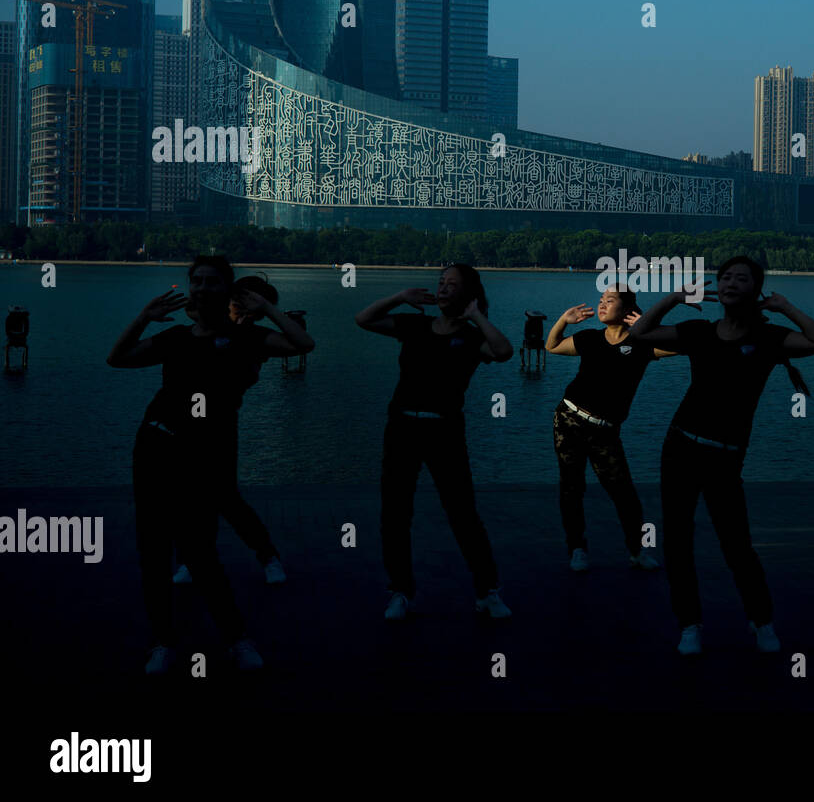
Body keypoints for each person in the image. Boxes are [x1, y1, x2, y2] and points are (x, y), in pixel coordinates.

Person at [107, 256, 314, 676]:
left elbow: (303, 345)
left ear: (228, 290)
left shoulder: (248, 338)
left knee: (200, 553)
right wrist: (144, 317)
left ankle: (236, 638)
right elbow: (118, 358)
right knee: (153, 551)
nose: (202, 288)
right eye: (196, 281)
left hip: (203, 453)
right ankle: (163, 642)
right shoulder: (176, 337)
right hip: (155, 445)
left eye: (212, 282)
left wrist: (269, 309)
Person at [630, 256, 814, 656]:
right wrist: (673, 297)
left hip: (726, 457)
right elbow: (639, 334)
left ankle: (761, 621)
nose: (730, 283)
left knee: (736, 545)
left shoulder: (770, 338)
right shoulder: (698, 332)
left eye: (741, 278)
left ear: (755, 290)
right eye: (725, 277)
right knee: (677, 542)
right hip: (681, 447)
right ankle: (689, 624)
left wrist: (787, 307)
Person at [355, 264, 515, 622]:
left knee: (463, 514)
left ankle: (487, 592)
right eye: (440, 283)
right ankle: (400, 591)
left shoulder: (474, 338)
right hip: (402, 428)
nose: (442, 289)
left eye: (451, 285)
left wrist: (476, 316)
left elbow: (504, 352)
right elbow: (362, 319)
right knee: (395, 515)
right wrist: (399, 297)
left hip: (445, 432)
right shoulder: (414, 326)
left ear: (468, 294)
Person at [173, 275, 292, 587]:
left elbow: (299, 343)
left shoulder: (253, 339)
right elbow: (189, 307)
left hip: (220, 423)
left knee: (225, 498)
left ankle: (267, 556)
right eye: (238, 307)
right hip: (184, 422)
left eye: (251, 312)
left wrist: (260, 312)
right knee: (189, 497)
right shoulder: (206, 325)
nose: (242, 315)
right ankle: (188, 560)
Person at [546, 286, 674, 572]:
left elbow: (680, 344)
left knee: (623, 492)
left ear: (628, 309)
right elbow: (551, 346)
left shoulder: (642, 345)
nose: (602, 305)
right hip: (569, 420)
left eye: (610, 300)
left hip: (606, 431)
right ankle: (577, 548)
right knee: (571, 487)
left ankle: (638, 550)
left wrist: (647, 324)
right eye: (601, 300)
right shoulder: (589, 339)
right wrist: (563, 321)